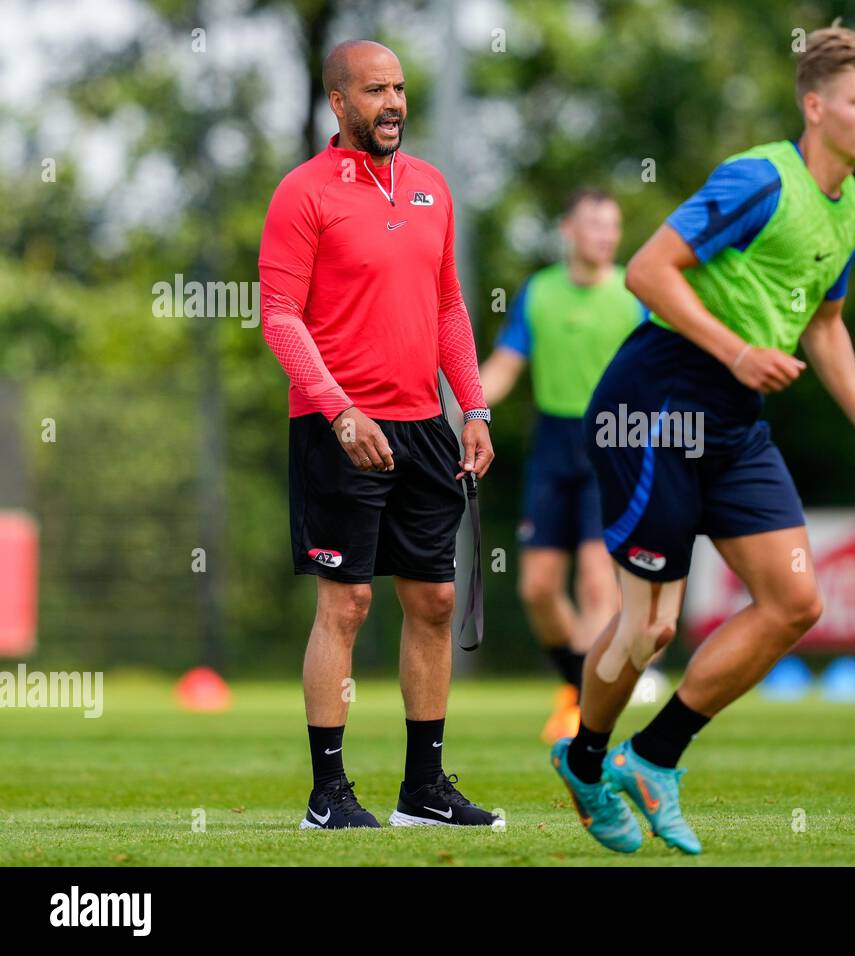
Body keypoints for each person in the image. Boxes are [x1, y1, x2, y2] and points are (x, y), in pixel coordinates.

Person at [550, 23, 855, 854]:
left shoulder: (852, 207)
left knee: (796, 603)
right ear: (815, 105)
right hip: (655, 403)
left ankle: (655, 757)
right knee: (648, 629)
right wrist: (738, 350)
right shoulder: (759, 178)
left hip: (734, 423)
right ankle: (584, 760)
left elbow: (825, 327)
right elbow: (647, 269)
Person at [258, 39, 498, 829]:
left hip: (425, 425)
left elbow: (449, 309)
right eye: (374, 91)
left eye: (399, 88)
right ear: (338, 102)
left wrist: (474, 407)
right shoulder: (303, 192)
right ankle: (327, 797)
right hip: (338, 428)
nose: (393, 103)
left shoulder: (432, 186)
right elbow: (279, 317)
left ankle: (422, 792)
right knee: (349, 602)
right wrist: (339, 408)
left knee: (433, 597)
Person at [479, 189, 645, 743]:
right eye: (595, 225)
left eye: (613, 227)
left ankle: (583, 714)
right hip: (552, 444)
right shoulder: (539, 291)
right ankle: (580, 688)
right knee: (537, 588)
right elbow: (504, 365)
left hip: (615, 440)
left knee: (600, 583)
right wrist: (462, 408)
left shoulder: (634, 292)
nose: (606, 236)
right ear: (569, 229)